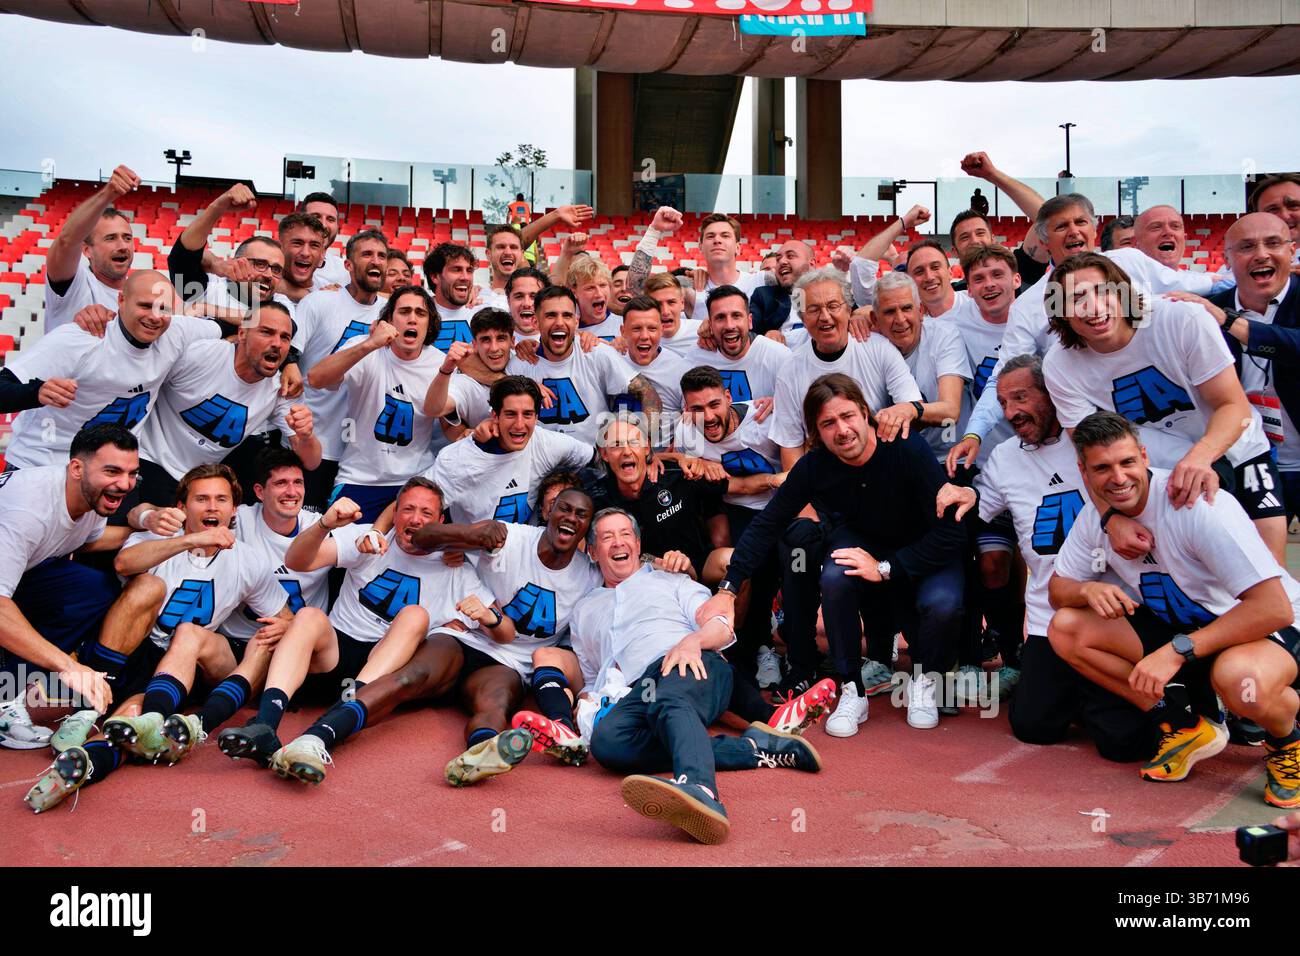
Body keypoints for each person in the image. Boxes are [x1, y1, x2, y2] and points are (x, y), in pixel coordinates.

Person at [1047, 412, 1300, 809]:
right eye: (1102, 468)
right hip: (1186, 630)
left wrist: (1176, 650)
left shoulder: (1196, 506)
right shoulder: (1098, 518)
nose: (1118, 478)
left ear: (1144, 456)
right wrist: (1088, 588)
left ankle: (1288, 743)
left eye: (1127, 462)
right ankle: (1183, 725)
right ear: (1083, 471)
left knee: (1241, 682)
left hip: (1253, 629)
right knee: (1066, 628)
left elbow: (1274, 608)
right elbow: (1058, 592)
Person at [699, 373, 967, 734]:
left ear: (864, 412)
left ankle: (926, 680)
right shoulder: (816, 465)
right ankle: (852, 689)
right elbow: (768, 523)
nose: (841, 430)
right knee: (835, 573)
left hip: (926, 547)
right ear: (816, 434)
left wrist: (887, 568)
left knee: (944, 603)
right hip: (867, 539)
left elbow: (952, 533)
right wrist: (728, 590)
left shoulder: (906, 446)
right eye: (828, 423)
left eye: (847, 417)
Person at [24, 463, 296, 811]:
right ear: (183, 507)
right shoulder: (157, 538)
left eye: (221, 500)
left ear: (233, 510)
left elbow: (284, 616)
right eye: (201, 499)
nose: (212, 507)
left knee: (194, 634)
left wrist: (285, 626)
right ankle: (87, 764)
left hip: (189, 661)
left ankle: (127, 719)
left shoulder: (249, 560)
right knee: (125, 722)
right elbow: (124, 564)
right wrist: (190, 540)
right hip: (136, 652)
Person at [935, 356, 1156, 760]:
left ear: (1052, 392)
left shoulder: (1094, 446)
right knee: (1033, 725)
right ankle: (1086, 696)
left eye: (1021, 397)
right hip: (1046, 619)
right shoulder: (1004, 457)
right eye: (1003, 402)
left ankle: (1123, 700)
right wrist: (969, 495)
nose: (1011, 412)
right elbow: (982, 504)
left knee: (1124, 744)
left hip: (1111, 613)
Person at [583, 507, 822, 845]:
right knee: (608, 743)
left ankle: (700, 788)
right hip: (641, 687)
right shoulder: (584, 608)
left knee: (671, 698)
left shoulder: (669, 578)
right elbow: (592, 674)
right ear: (592, 552)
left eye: (625, 535)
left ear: (637, 544)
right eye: (607, 537)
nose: (618, 543)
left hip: (695, 661)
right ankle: (755, 748)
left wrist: (691, 642)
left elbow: (721, 625)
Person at [217, 478, 489, 766]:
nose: (416, 519)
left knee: (415, 615)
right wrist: (325, 525)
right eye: (408, 509)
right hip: (337, 654)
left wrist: (475, 616)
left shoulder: (456, 568)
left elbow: (501, 629)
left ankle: (336, 719)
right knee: (308, 616)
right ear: (394, 514)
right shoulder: (367, 539)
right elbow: (297, 561)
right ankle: (266, 725)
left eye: (426, 513)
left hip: (380, 675)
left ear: (440, 521)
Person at [949, 192, 1221, 478]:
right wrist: (975, 433)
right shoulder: (1032, 306)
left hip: (1193, 420)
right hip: (1114, 434)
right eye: (1061, 226)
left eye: (1080, 222)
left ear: (1094, 229)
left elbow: (1202, 284)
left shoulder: (1132, 262)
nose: (1074, 231)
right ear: (1044, 241)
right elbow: (1005, 375)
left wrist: (1228, 316)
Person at [1041, 252, 1286, 563]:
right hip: (1157, 474)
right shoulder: (1060, 365)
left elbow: (1232, 405)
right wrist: (1110, 518)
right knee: (1200, 582)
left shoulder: (1180, 319)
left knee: (1270, 570)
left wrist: (1201, 457)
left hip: (1236, 449)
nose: (1093, 307)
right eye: (1075, 298)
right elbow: (1090, 453)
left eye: (1103, 292)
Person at [0, 425, 142, 749]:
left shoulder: (92, 498)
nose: (124, 484)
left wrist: (154, 530)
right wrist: (69, 666)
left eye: (132, 473)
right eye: (112, 471)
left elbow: (89, 541)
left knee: (91, 589)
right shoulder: (27, 511)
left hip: (22, 572)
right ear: (77, 468)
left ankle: (6, 698)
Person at [0, 271, 221, 470]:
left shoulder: (176, 331)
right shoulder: (79, 339)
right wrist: (36, 393)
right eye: (145, 305)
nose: (155, 316)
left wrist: (203, 308)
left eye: (163, 308)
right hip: (42, 462)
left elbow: (229, 325)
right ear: (121, 300)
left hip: (112, 470)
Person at [133, 302, 319, 509]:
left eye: (285, 337)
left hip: (194, 481)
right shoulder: (201, 354)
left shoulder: (281, 389)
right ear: (242, 334)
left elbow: (311, 462)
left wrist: (306, 435)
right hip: (145, 459)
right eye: (266, 332)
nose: (277, 343)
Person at [306, 285, 442, 522]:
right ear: (388, 320)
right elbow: (316, 378)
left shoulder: (439, 362)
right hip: (361, 476)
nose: (412, 319)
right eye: (404, 312)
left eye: (420, 314)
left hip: (416, 477)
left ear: (429, 324)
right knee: (345, 551)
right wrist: (371, 343)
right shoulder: (364, 346)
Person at [768, 268, 922, 470]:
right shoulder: (790, 370)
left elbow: (911, 405)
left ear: (849, 309)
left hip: (880, 463)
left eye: (833, 306)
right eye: (814, 309)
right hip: (824, 473)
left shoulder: (880, 348)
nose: (825, 317)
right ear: (803, 319)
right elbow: (791, 446)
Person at [294, 229, 390, 508]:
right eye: (367, 254)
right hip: (315, 438)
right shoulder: (320, 301)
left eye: (382, 256)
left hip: (361, 451)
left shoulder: (390, 311)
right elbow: (291, 356)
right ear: (348, 265)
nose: (376, 261)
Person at [429, 376, 594, 525]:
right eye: (510, 414)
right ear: (495, 415)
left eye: (528, 414)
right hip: (474, 556)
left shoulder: (547, 444)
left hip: (526, 551)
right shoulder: (457, 459)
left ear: (537, 417)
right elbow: (416, 507)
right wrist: (451, 542)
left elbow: (595, 462)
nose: (519, 424)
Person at [506, 286, 658, 447]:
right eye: (550, 315)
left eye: (567, 315)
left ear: (576, 321)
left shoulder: (597, 353)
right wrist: (524, 386)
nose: (559, 322)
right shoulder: (519, 365)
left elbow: (649, 395)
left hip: (593, 463)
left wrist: (648, 447)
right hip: (541, 464)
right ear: (536, 321)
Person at [871, 272, 969, 465]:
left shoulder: (944, 336)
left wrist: (910, 409)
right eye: (890, 312)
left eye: (907, 308)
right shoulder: (868, 343)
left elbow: (951, 410)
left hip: (951, 458)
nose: (900, 320)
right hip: (897, 462)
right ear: (874, 319)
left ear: (921, 311)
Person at [43, 164, 140, 331]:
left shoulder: (140, 294)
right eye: (111, 238)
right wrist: (108, 193)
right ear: (87, 250)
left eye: (127, 238)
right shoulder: (76, 284)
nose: (122, 245)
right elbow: (66, 241)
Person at [679, 285, 790, 406]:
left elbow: (796, 411)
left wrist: (779, 406)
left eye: (736, 316)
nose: (729, 325)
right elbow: (689, 414)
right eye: (720, 317)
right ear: (710, 325)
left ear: (750, 321)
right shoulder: (695, 358)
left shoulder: (778, 356)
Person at [424, 307, 516, 437]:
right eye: (486, 340)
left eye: (501, 338)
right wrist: (445, 370)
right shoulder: (464, 381)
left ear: (512, 341)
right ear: (475, 344)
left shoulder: (524, 360)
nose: (494, 348)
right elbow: (433, 409)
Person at [618, 295, 691, 444]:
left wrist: (678, 445)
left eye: (652, 328)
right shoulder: (610, 362)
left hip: (665, 456)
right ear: (623, 331)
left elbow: (693, 417)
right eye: (636, 329)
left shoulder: (680, 368)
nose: (645, 336)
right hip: (618, 453)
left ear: (661, 330)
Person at [686, 214, 774, 322]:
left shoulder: (760, 281)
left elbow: (798, 281)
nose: (717, 240)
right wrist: (658, 231)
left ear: (738, 247)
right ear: (701, 247)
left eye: (725, 236)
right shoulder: (690, 290)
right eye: (710, 236)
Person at [749, 239, 815, 342]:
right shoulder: (763, 296)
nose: (782, 262)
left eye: (790, 256)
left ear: (811, 264)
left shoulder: (832, 292)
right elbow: (747, 333)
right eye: (778, 259)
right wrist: (765, 336)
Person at [422, 242, 478, 352]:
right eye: (456, 270)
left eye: (469, 270)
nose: (465, 277)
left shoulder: (482, 310)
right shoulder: (417, 313)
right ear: (435, 277)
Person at [644, 270, 703, 355]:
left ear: (682, 303)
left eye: (671, 302)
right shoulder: (638, 339)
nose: (665, 311)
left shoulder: (701, 332)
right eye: (657, 304)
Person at [299, 193, 349, 290]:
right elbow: (259, 297)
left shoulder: (345, 270)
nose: (323, 225)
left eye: (330, 219)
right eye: (316, 217)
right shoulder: (277, 261)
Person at [1133, 205, 1186, 270]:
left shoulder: (1199, 279)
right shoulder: (1125, 280)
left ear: (1185, 239)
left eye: (1175, 226)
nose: (1168, 232)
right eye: (1156, 227)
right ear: (1136, 243)